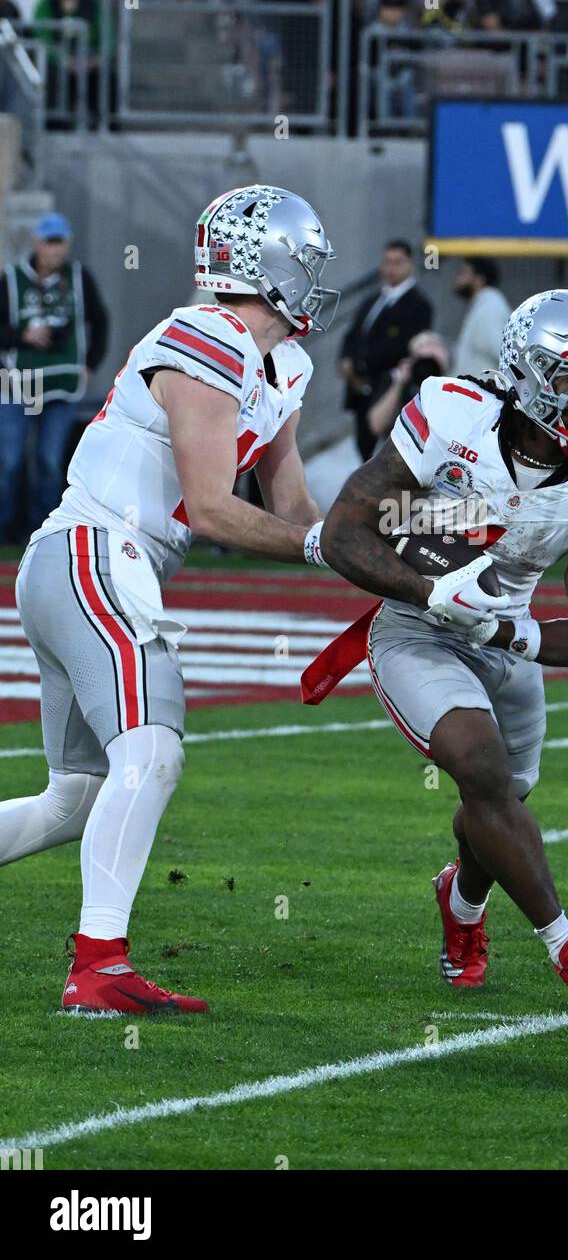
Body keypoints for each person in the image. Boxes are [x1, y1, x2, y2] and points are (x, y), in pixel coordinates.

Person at [1, 186, 341, 1014]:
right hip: (96, 549)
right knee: (151, 751)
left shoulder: (282, 362)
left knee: (75, 798)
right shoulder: (204, 334)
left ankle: (100, 964)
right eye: (308, 260)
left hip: (92, 564)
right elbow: (220, 507)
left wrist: (396, 551)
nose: (316, 277)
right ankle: (98, 968)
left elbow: (296, 509)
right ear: (272, 265)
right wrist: (330, 549)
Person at [315, 289, 568, 1007]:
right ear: (526, 375)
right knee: (481, 769)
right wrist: (430, 593)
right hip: (415, 628)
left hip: (504, 642)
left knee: (496, 803)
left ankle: (461, 903)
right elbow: (345, 532)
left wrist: (506, 631)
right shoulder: (450, 415)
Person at [0, 211, 108, 544]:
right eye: (49, 242)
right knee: (10, 460)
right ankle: (4, 529)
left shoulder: (79, 277)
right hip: (17, 382)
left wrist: (90, 363)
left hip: (61, 382)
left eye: (60, 242)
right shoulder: (11, 278)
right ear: (36, 243)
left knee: (50, 461)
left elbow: (100, 321)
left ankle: (42, 531)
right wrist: (24, 336)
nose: (55, 250)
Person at [339, 240, 433, 459]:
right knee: (364, 453)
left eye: (397, 262)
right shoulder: (372, 300)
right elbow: (352, 335)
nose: (391, 268)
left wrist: (362, 365)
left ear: (410, 264)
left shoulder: (419, 305)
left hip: (389, 390)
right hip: (360, 391)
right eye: (387, 262)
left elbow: (403, 347)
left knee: (386, 457)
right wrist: (346, 361)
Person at [366, 329, 449, 440]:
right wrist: (399, 383)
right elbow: (376, 425)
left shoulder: (458, 381)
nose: (429, 368)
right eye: (423, 362)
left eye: (433, 359)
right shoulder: (401, 383)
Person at [452, 256, 512, 374]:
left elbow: (502, 352)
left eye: (463, 273)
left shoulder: (491, 307)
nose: (457, 278)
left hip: (482, 388)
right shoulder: (482, 305)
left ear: (479, 279)